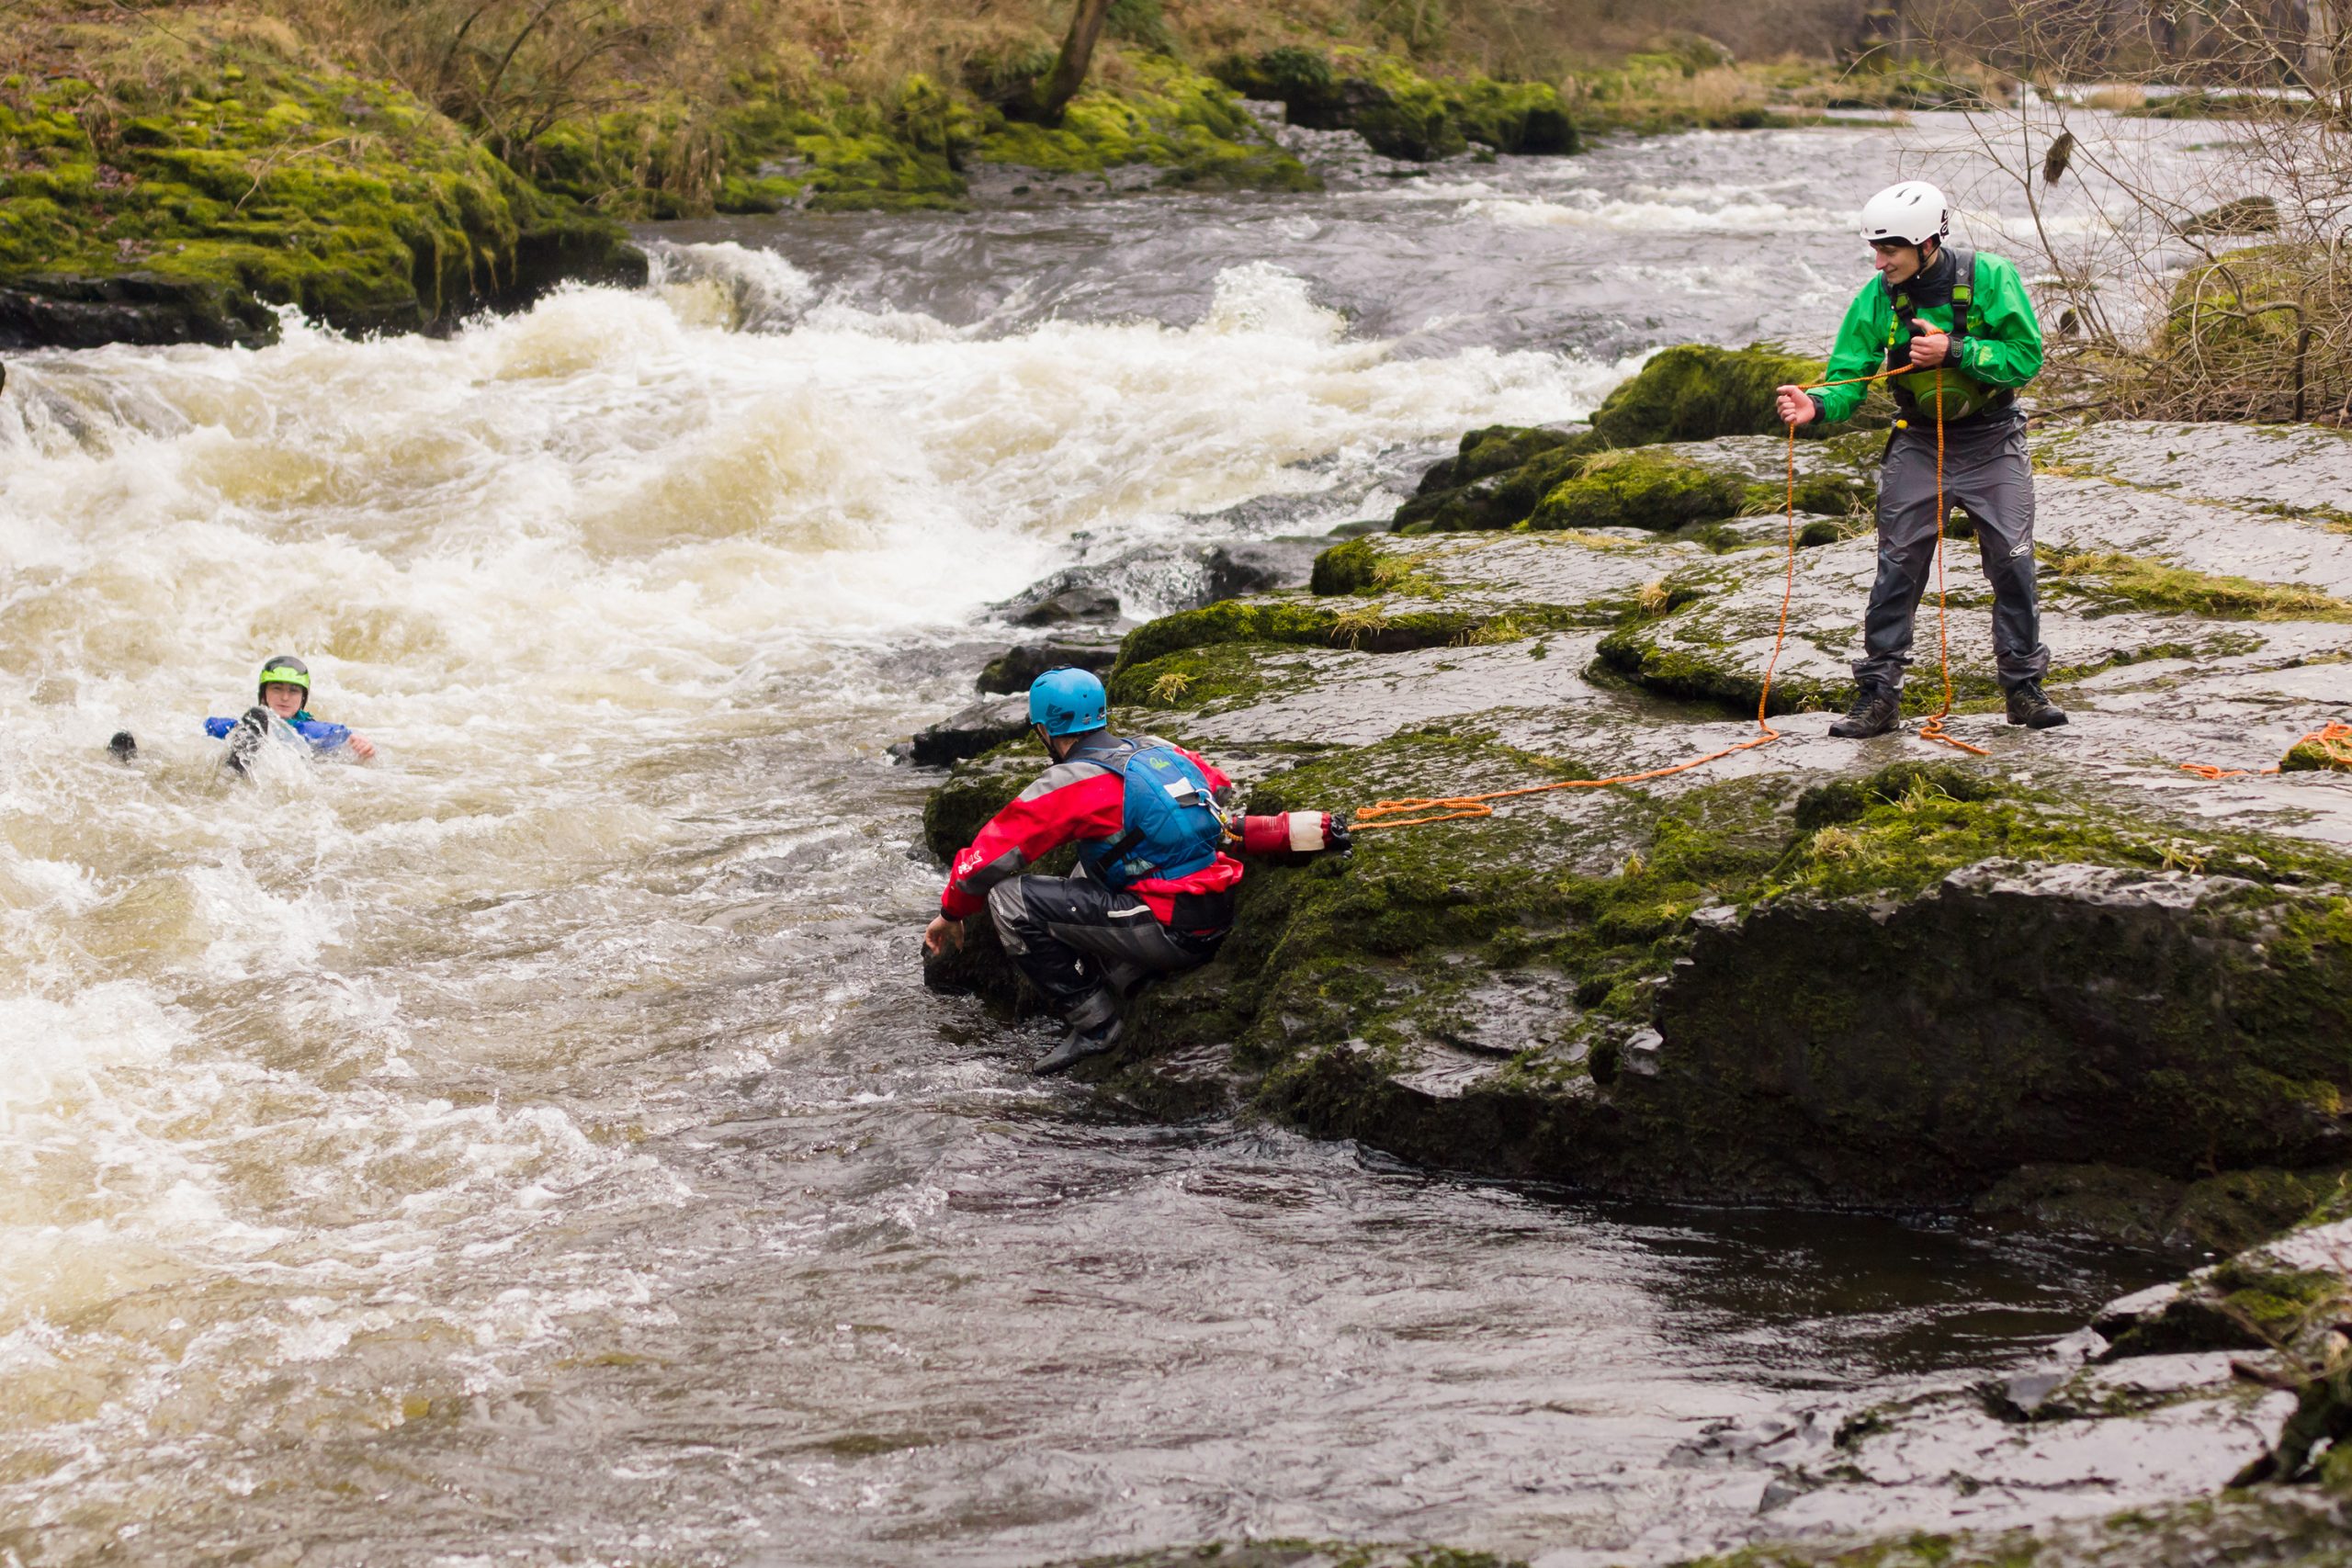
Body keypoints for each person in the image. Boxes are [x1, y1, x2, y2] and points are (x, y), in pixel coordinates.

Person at [1774, 179, 2066, 738]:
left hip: (1994, 439)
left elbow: (2027, 357)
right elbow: (1848, 378)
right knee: (1898, 567)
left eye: (1890, 250)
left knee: (2012, 561)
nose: (1879, 262)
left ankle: (2024, 689)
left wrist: (1956, 350)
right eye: (1875, 250)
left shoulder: (1991, 276)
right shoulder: (1876, 298)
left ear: (1928, 243)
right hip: (1917, 443)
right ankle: (1878, 696)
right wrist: (1818, 405)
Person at [924, 667, 1243, 1077]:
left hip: (1174, 929)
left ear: (1043, 730)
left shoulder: (1075, 781)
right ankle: (1131, 978)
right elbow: (1219, 788)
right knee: (1088, 867)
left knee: (1008, 899)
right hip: (1217, 906)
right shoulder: (1159, 750)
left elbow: (987, 858)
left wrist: (951, 912)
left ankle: (1097, 1025)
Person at [206, 655, 378, 761]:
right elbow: (209, 726)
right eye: (277, 689)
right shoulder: (249, 724)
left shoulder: (311, 731)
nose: (285, 697)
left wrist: (362, 743)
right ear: (264, 695)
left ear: (303, 698)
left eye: (293, 691)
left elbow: (346, 736)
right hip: (251, 751)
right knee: (253, 722)